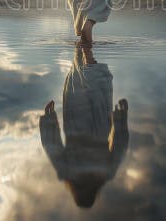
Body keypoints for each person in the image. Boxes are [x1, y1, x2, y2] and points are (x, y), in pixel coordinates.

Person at [39, 44, 129, 208]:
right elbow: (51, 146)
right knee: (79, 77)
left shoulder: (106, 173)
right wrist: (48, 119)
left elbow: (121, 146)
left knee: (89, 79)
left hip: (97, 126)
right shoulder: (67, 172)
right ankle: (84, 43)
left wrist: (121, 118)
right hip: (78, 125)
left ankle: (84, 43)